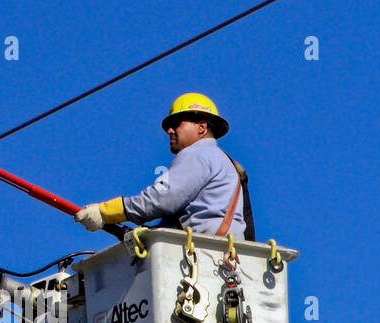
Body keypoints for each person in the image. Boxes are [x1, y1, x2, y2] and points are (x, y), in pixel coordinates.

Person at [74, 93, 253, 239]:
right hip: (222, 257)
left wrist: (106, 212)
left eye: (177, 124)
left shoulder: (198, 154)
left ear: (201, 127)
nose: (170, 131)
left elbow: (162, 199)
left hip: (202, 254)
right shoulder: (225, 162)